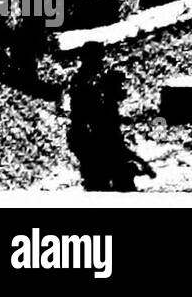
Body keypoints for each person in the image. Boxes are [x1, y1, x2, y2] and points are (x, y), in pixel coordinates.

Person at [66, 42, 155, 191]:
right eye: (99, 59)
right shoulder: (87, 85)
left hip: (93, 143)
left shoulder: (88, 83)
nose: (101, 63)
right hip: (93, 145)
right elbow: (101, 129)